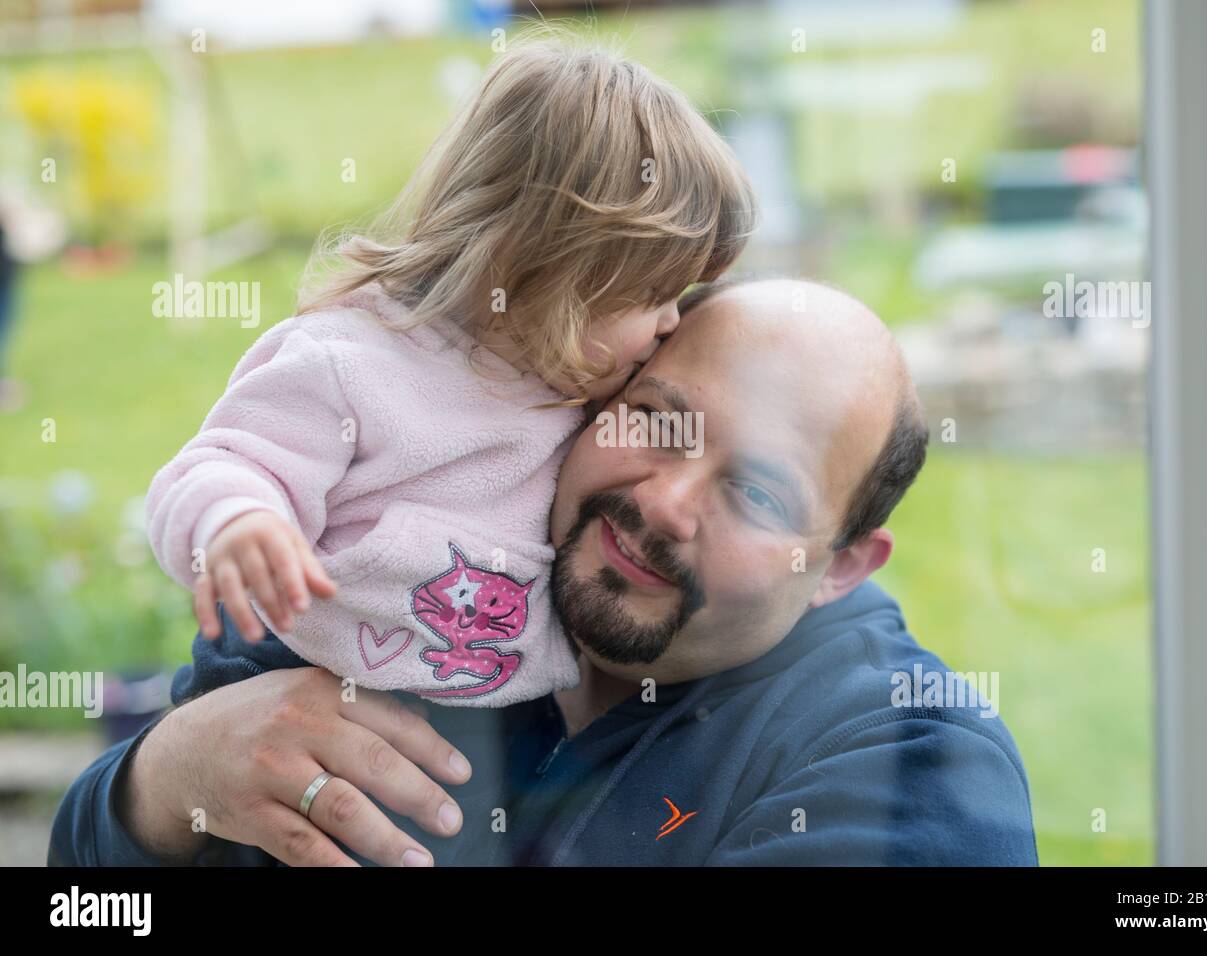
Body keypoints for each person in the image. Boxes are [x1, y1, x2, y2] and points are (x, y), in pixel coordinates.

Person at [50, 278, 1039, 866]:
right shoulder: (386, 580)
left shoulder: (904, 758)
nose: (661, 500)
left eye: (760, 495)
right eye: (654, 419)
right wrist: (165, 778)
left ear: (840, 565)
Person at [141, 31, 755, 713]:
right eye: (653, 295)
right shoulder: (351, 365)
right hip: (292, 684)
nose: (672, 322)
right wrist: (237, 520)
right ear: (542, 263)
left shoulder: (578, 395)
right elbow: (220, 464)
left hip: (495, 728)